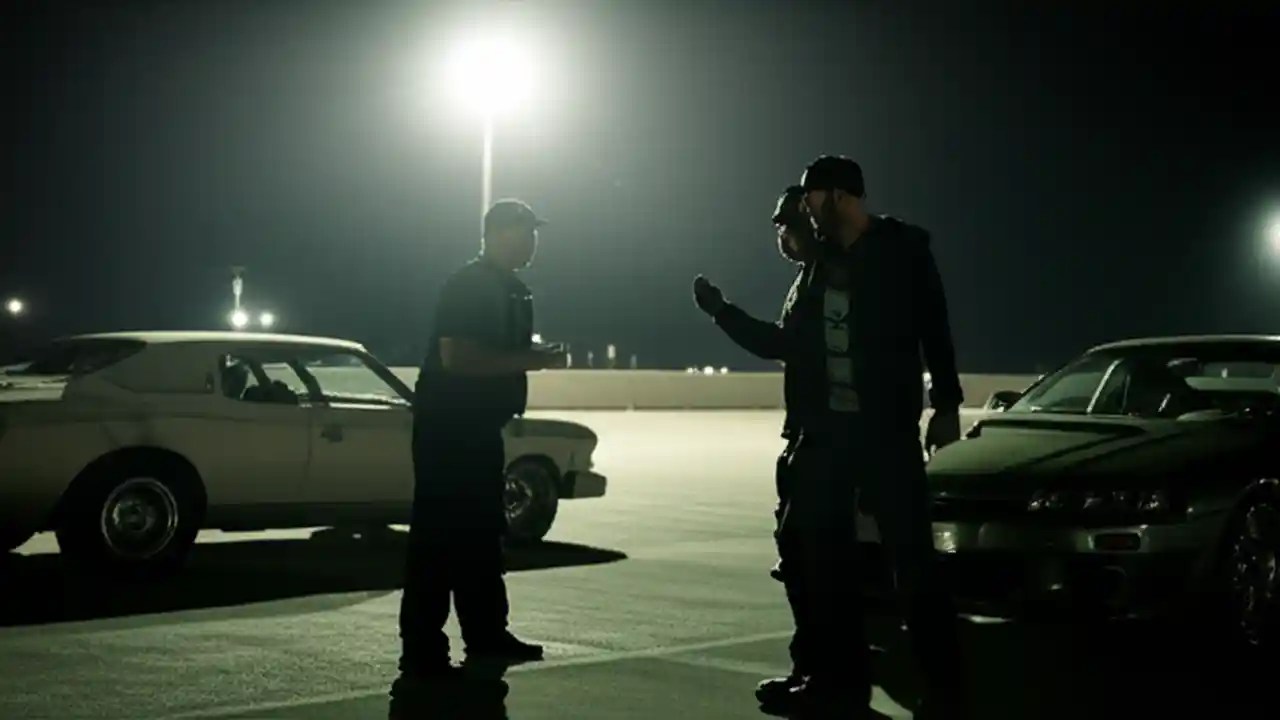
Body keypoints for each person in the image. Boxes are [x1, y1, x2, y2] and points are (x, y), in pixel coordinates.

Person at [766, 155, 968, 718]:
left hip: (886, 432)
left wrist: (946, 405)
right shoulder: (820, 259)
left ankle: (945, 686)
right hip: (827, 438)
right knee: (824, 564)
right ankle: (836, 681)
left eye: (810, 198)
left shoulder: (903, 250)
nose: (805, 209)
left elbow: (937, 329)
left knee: (912, 563)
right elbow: (793, 339)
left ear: (838, 197)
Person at [397, 199, 568, 683]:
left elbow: (497, 351)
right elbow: (457, 358)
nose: (532, 241)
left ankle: (488, 633)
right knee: (438, 538)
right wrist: (532, 361)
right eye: (524, 232)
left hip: (479, 428)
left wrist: (532, 356)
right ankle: (423, 647)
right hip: (448, 429)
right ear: (496, 234)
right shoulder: (468, 285)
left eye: (534, 232)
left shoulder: (513, 290)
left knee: (480, 535)